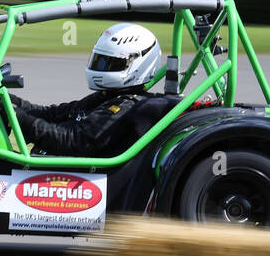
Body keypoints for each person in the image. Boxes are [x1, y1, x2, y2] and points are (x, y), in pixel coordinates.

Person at [10, 23, 178, 158]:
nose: (101, 68)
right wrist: (11, 102)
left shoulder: (125, 106)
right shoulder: (106, 97)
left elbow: (74, 140)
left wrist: (18, 118)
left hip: (76, 185)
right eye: (99, 61)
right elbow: (53, 114)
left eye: (110, 63)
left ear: (134, 65)